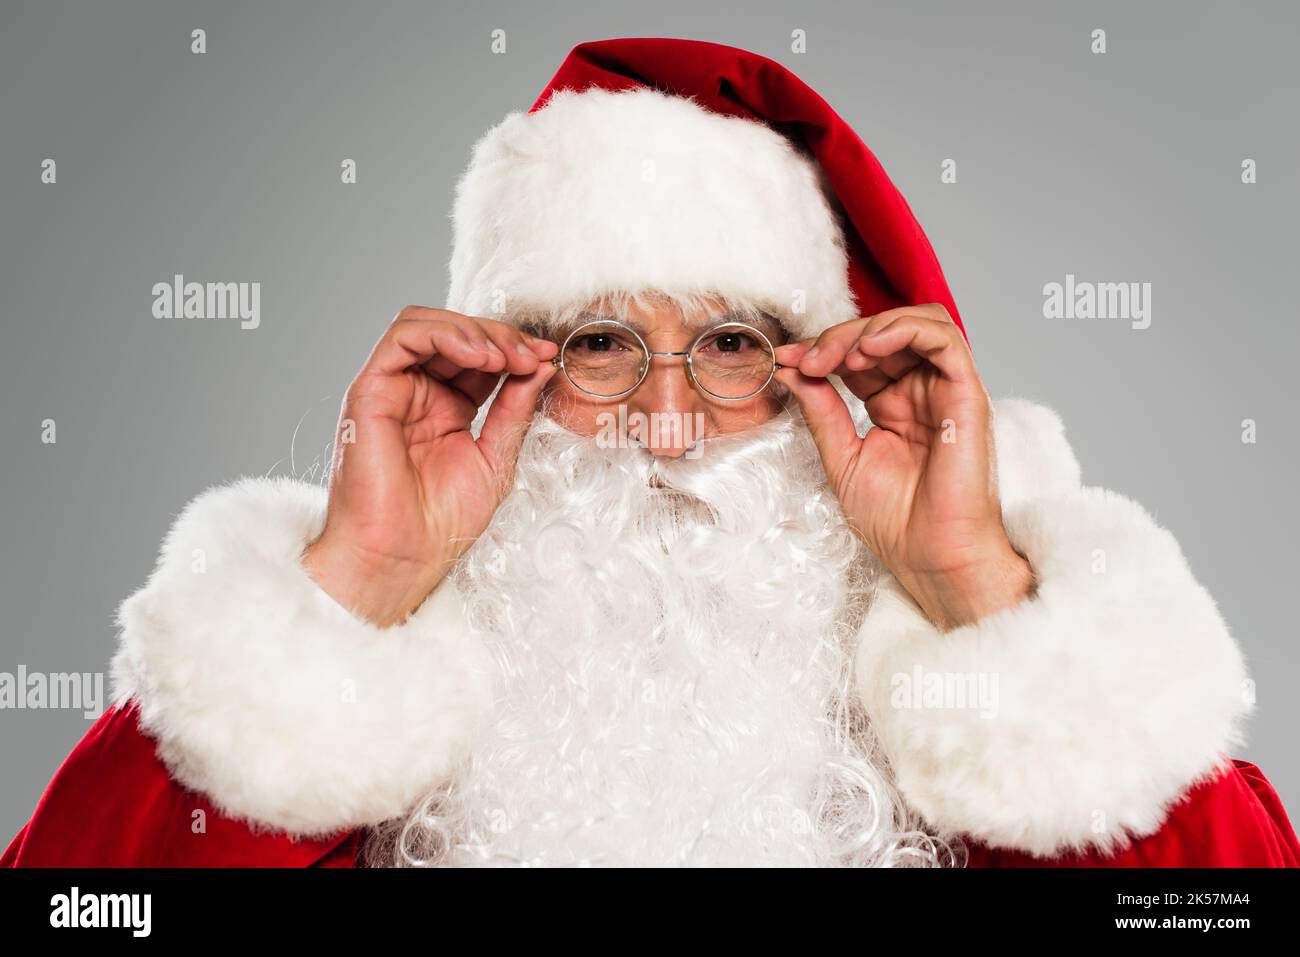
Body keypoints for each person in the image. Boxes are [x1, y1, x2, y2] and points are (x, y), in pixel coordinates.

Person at [4, 38, 1296, 868]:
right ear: (494, 376)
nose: (667, 424)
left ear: (831, 380)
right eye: (599, 344)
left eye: (735, 343)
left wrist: (974, 592)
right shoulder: (357, 745)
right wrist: (347, 603)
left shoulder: (969, 739)